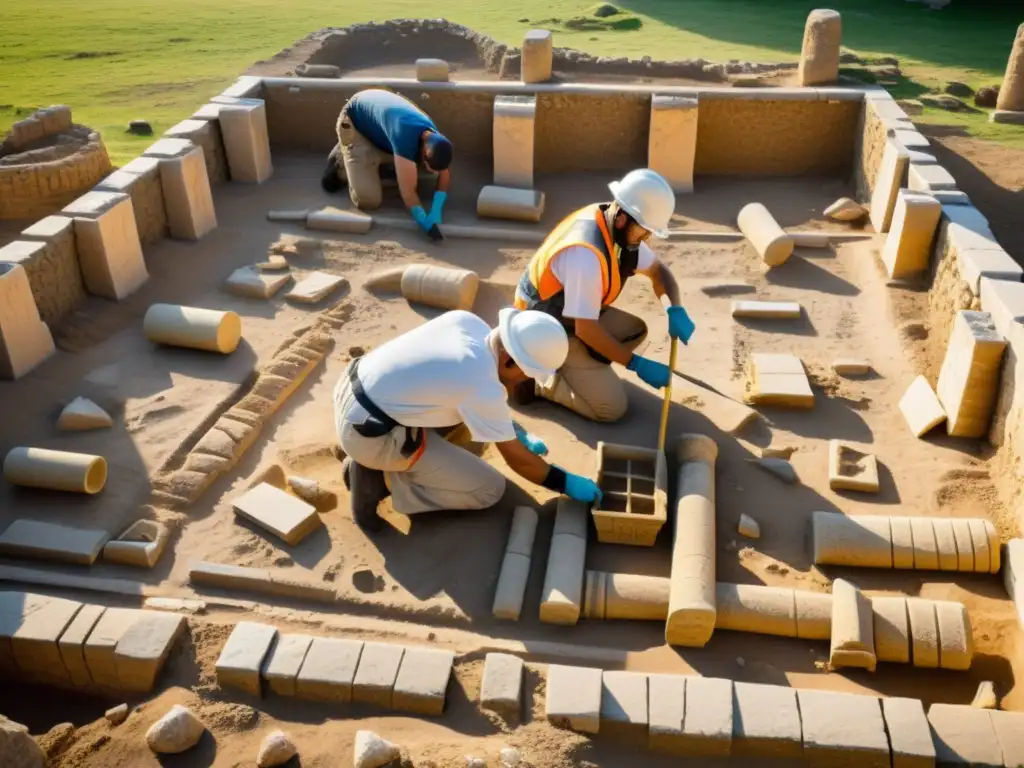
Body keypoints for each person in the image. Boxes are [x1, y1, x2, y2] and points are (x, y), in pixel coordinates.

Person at [334, 307, 604, 532]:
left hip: (355, 392)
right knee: (489, 490)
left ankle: (372, 452)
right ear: (510, 361)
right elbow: (520, 462)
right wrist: (565, 482)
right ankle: (376, 480)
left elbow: (456, 384)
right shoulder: (481, 386)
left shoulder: (468, 322)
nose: (526, 380)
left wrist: (512, 429)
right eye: (527, 373)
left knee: (460, 422)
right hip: (371, 436)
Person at [512, 168, 695, 423]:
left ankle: (583, 367)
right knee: (612, 409)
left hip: (569, 315)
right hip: (545, 326)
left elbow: (658, 271)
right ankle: (541, 381)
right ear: (622, 218)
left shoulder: (615, 227)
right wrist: (636, 365)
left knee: (634, 331)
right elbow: (585, 329)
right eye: (644, 231)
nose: (647, 238)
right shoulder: (585, 255)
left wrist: (673, 308)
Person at [321, 88, 452, 241]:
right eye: (427, 163)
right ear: (424, 151)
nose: (430, 169)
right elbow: (408, 193)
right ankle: (343, 157)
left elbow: (444, 173)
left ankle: (377, 158)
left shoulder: (436, 139)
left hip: (382, 121)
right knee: (369, 199)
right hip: (356, 124)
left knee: (425, 175)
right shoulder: (404, 136)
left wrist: (437, 208)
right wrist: (424, 222)